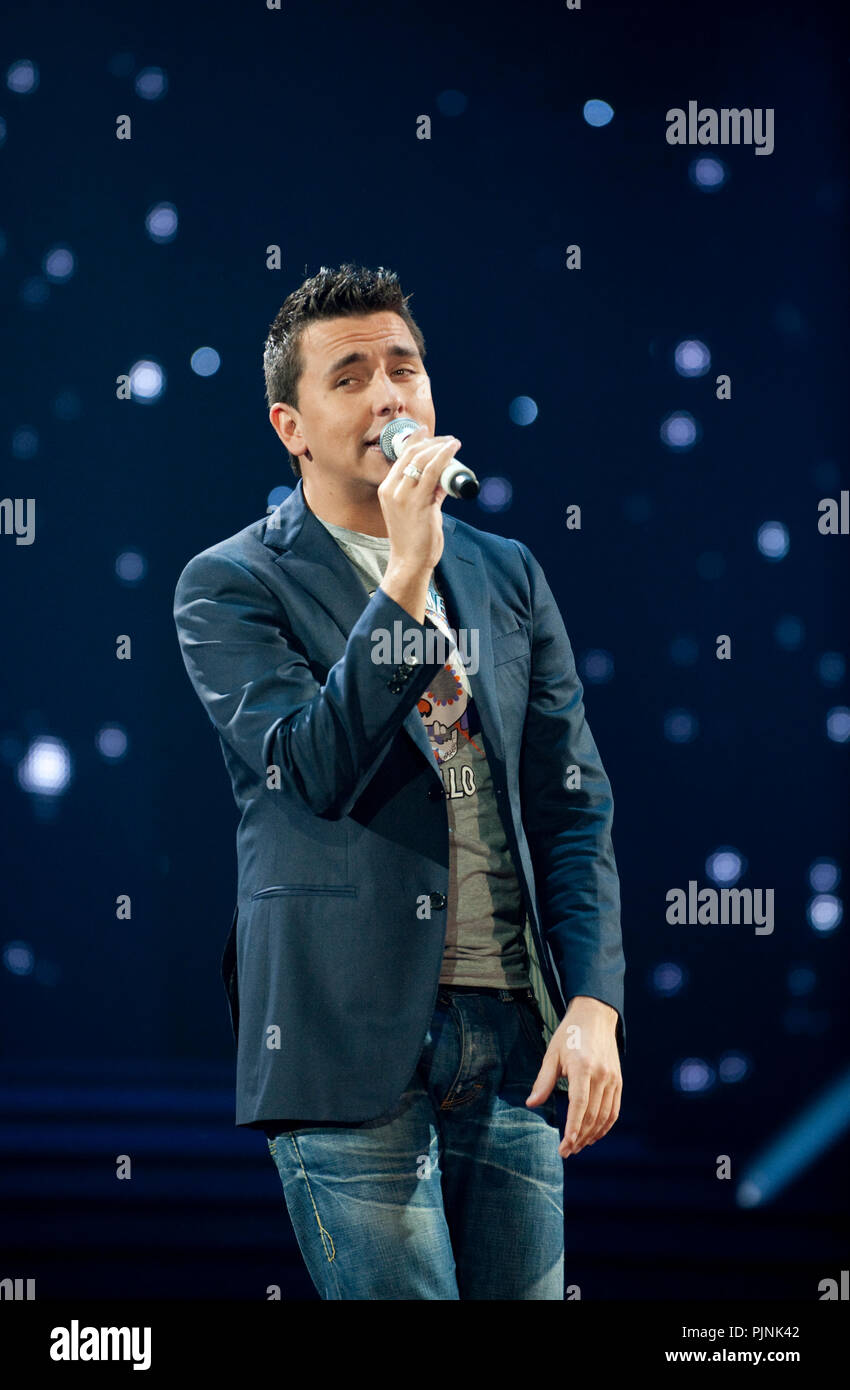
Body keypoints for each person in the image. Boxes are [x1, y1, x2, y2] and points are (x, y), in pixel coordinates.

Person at [173, 263, 625, 1300]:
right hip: (344, 1036)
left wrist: (593, 999)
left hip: (509, 1032)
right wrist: (404, 578)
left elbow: (570, 801)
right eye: (351, 377)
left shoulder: (506, 571)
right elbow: (313, 766)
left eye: (404, 369)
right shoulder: (232, 582)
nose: (389, 397)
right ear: (291, 424)